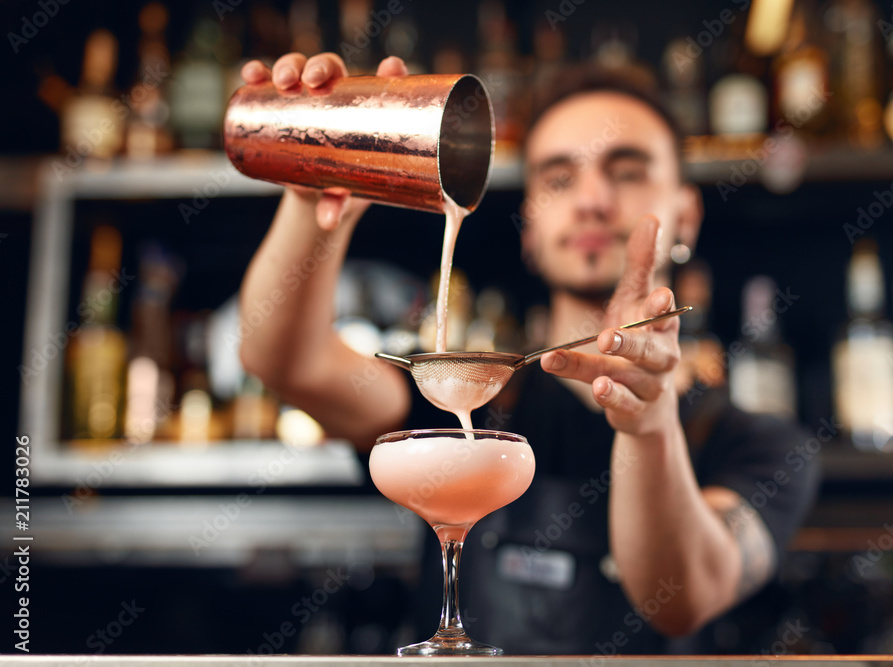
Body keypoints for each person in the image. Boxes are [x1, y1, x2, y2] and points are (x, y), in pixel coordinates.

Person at [238, 51, 820, 654]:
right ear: (530, 227)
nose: (591, 199)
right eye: (559, 178)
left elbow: (681, 599)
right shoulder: (465, 398)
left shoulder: (761, 445)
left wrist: (649, 426)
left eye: (627, 172)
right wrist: (317, 188)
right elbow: (286, 361)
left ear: (687, 214)